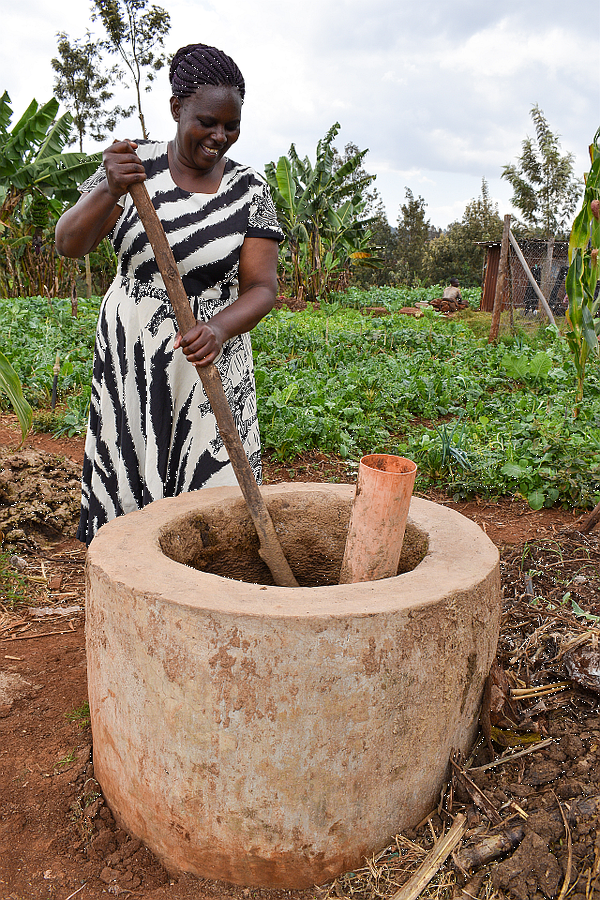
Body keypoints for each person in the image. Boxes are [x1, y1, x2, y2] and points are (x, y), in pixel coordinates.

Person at [55, 43, 284, 546]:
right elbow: (69, 243)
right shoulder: (131, 165)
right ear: (177, 108)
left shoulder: (249, 188)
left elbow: (262, 287)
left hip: (211, 352)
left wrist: (218, 329)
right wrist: (108, 188)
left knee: (215, 488)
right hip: (134, 348)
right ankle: (129, 575)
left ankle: (210, 580)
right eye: (207, 122)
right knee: (130, 467)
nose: (219, 136)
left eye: (231, 126)